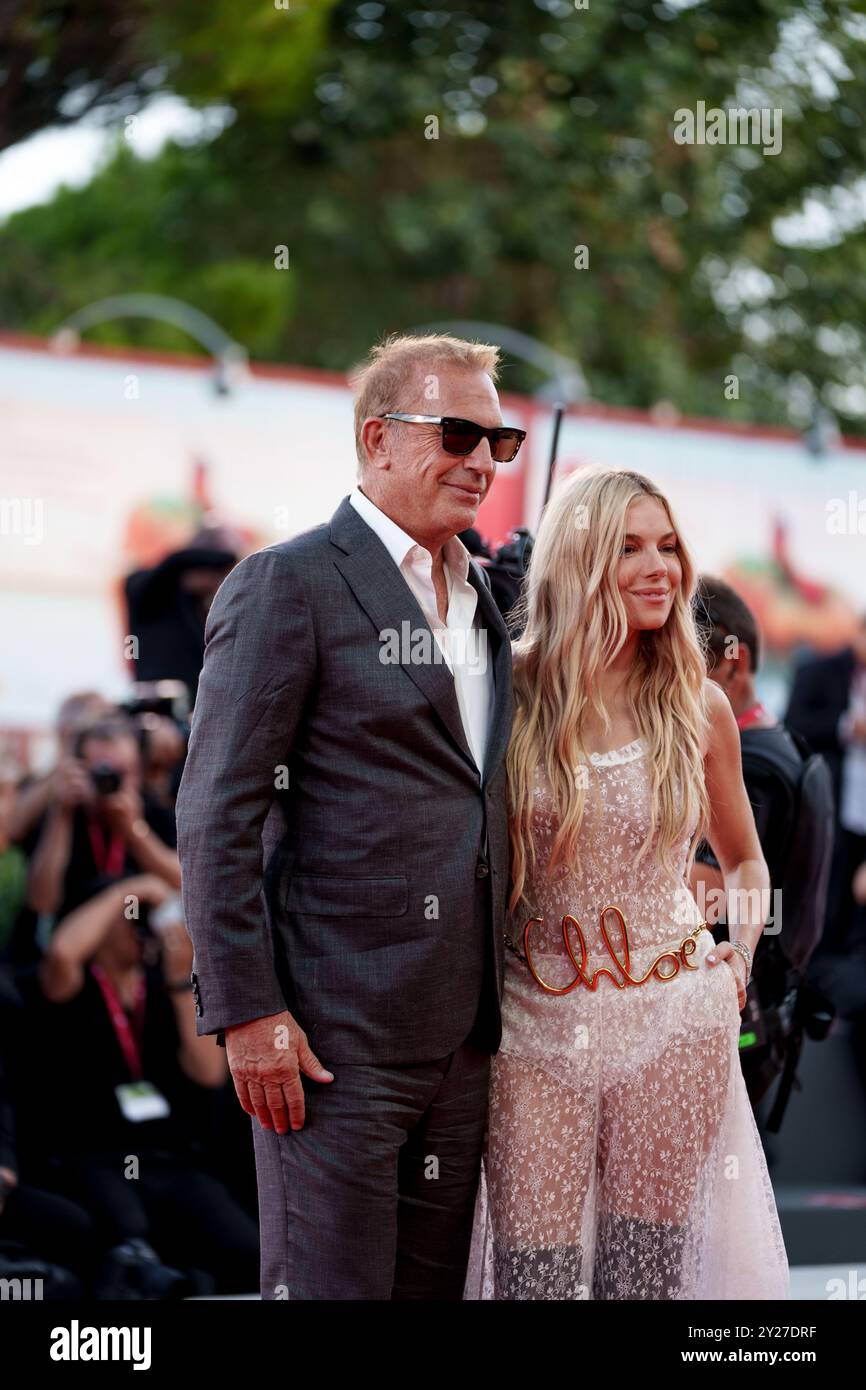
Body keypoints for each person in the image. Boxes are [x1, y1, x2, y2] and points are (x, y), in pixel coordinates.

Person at [176, 332, 524, 1299]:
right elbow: (215, 814)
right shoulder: (290, 581)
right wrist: (247, 1010)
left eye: (501, 442)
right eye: (458, 433)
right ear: (378, 437)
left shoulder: (483, 599)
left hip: (461, 1037)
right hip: (329, 1041)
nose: (483, 461)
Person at [464, 467, 789, 1300]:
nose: (661, 569)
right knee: (531, 1280)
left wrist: (741, 953)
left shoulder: (698, 705)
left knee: (641, 1278)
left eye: (669, 547)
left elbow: (746, 861)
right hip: (533, 1019)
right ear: (579, 561)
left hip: (676, 1018)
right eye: (630, 548)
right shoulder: (507, 688)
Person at [785, 612, 866, 957]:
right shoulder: (821, 670)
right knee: (826, 896)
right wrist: (848, 727)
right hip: (833, 804)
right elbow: (795, 725)